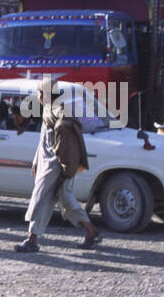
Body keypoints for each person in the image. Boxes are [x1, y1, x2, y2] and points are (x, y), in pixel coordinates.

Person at [15, 80, 101, 252]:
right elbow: (44, 141)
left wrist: (64, 167)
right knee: (66, 200)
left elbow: (65, 126)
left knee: (40, 199)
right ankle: (91, 231)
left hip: (56, 167)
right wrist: (36, 161)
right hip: (47, 165)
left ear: (46, 94)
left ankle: (31, 240)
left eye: (40, 93)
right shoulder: (48, 109)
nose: (38, 96)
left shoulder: (58, 110)